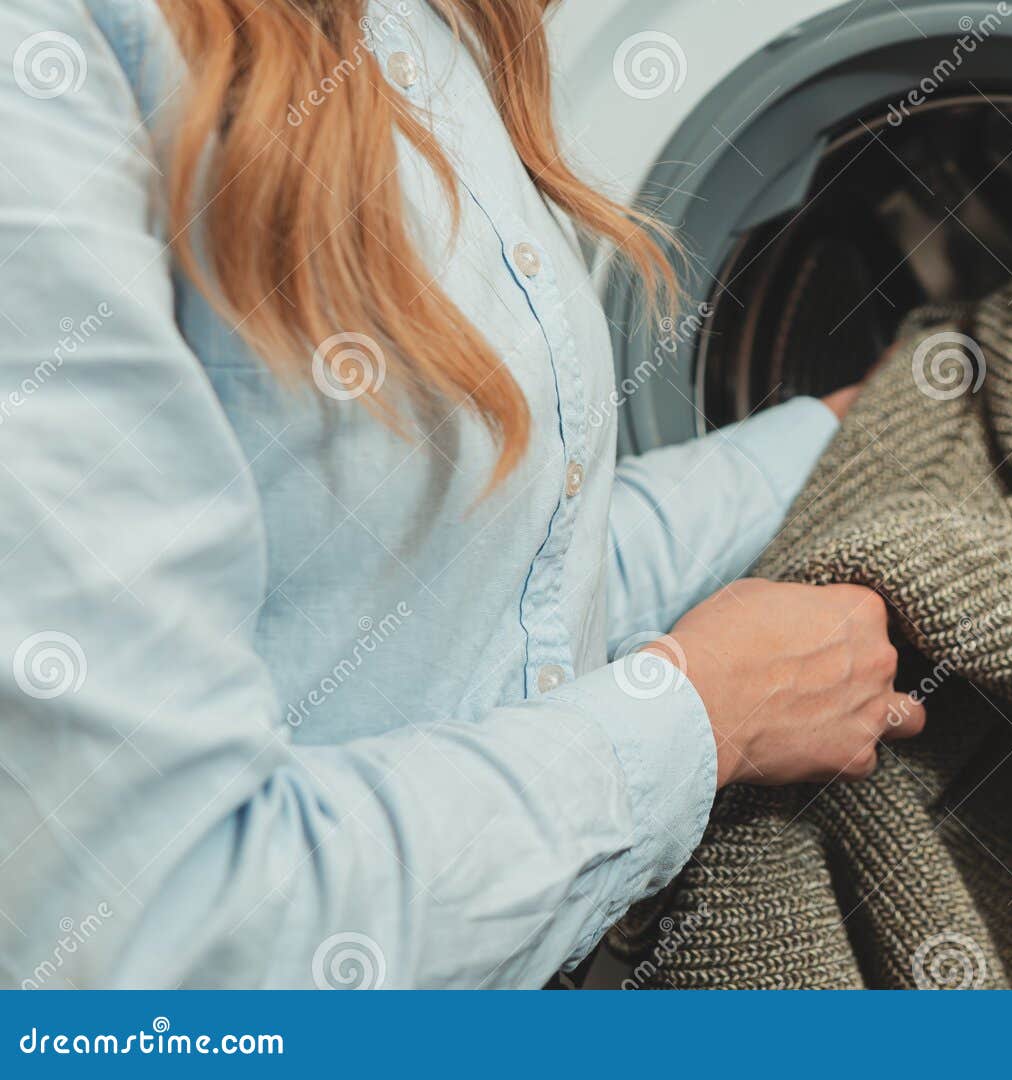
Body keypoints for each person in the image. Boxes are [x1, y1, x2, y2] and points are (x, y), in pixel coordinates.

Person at [0, 0, 924, 989]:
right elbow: (160, 932)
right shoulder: (48, 66)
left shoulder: (413, 26)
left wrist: (848, 432)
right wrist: (705, 713)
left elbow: (501, 592)